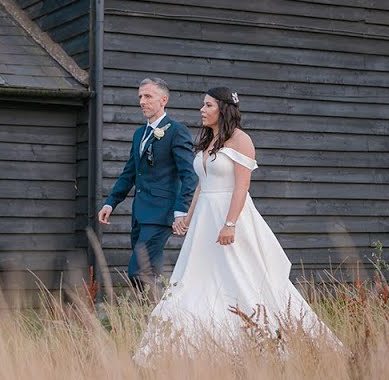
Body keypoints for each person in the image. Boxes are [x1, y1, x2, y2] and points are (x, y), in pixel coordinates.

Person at [133, 87, 339, 363]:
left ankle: (264, 339)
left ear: (223, 108)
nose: (202, 110)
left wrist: (230, 224)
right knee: (196, 279)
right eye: (202, 105)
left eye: (207, 105)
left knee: (239, 276)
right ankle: (188, 346)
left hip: (230, 217)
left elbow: (241, 187)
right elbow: (200, 185)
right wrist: (188, 217)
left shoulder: (241, 140)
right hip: (205, 219)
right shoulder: (209, 140)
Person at [98, 77, 198, 297]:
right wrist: (111, 202)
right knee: (149, 272)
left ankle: (157, 312)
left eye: (148, 96)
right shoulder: (139, 134)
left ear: (163, 100)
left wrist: (181, 210)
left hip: (161, 214)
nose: (142, 101)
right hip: (140, 213)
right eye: (140, 97)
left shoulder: (176, 131)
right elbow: (130, 173)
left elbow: (189, 174)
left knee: (138, 271)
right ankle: (156, 318)